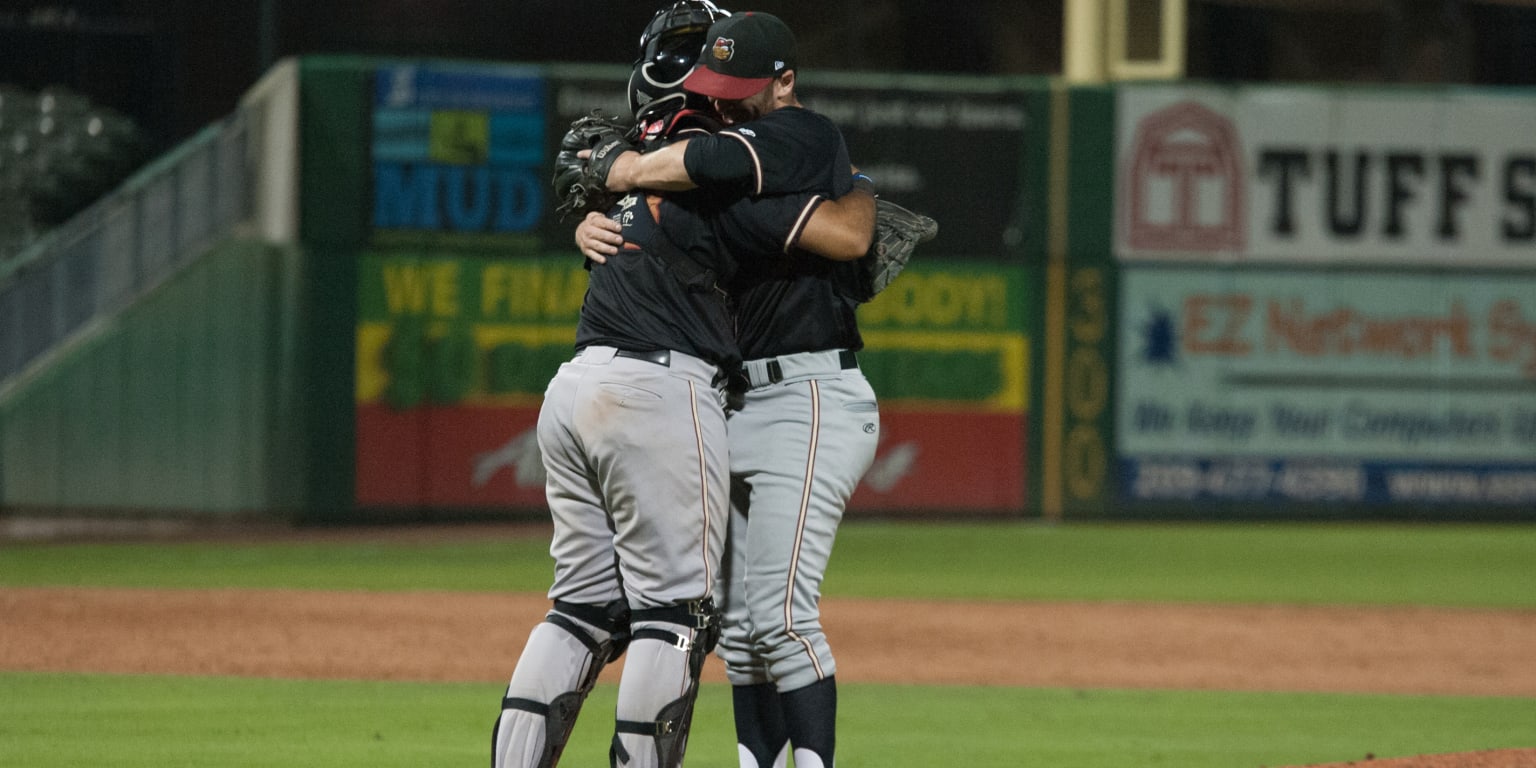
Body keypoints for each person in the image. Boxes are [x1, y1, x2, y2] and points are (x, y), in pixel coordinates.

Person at [491, 5, 874, 768]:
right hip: (662, 386)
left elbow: (850, 230)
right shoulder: (715, 157)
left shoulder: (747, 140)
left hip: (583, 382)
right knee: (681, 616)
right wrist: (603, 206)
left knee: (587, 609)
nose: (724, 93)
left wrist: (617, 181)